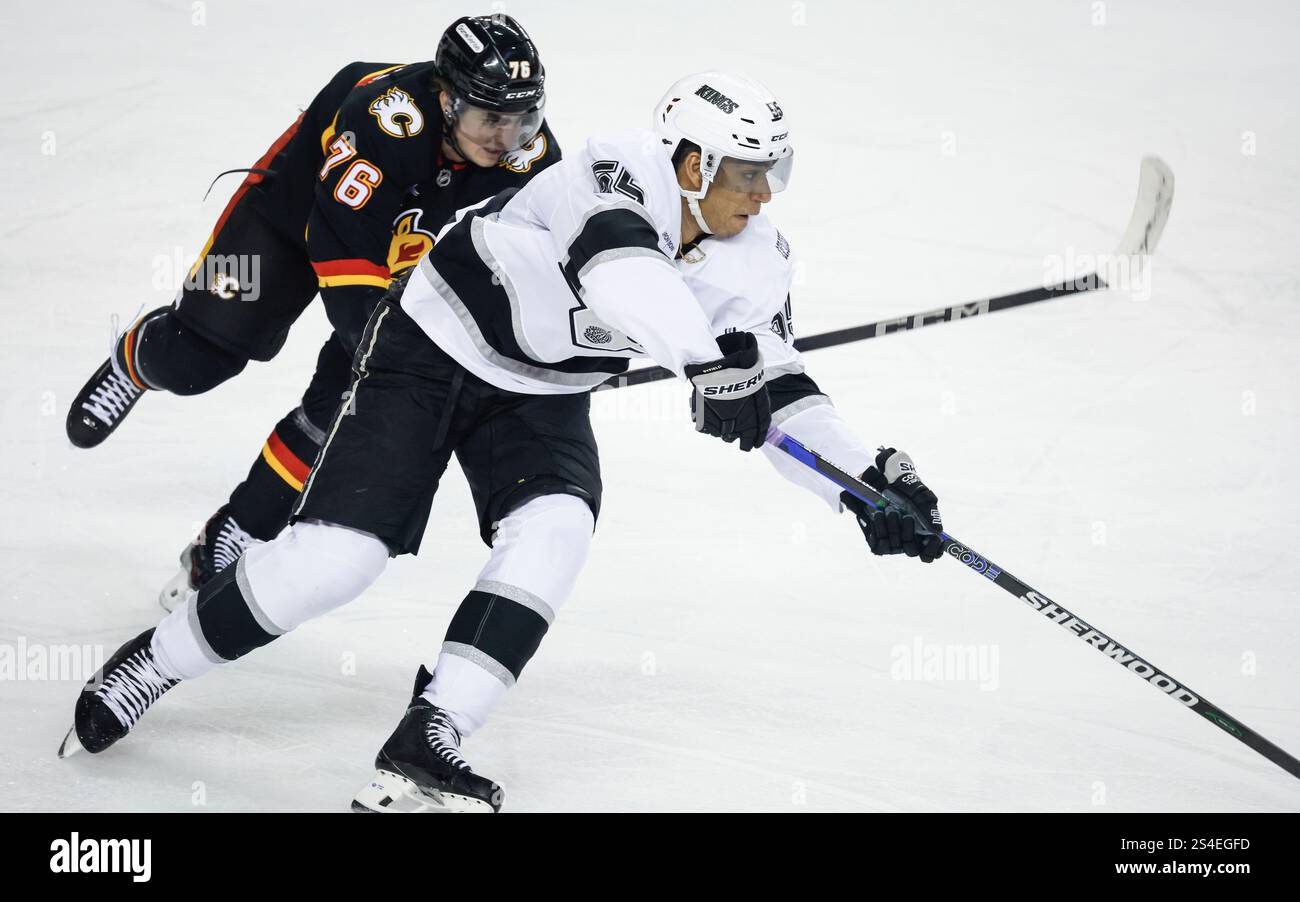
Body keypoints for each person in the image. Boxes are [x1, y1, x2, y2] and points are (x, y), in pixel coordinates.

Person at [60, 73, 944, 813]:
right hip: (427, 351)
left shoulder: (759, 256)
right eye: (748, 174)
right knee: (333, 564)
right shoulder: (611, 166)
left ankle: (431, 729)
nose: (764, 196)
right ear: (690, 161)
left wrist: (865, 486)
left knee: (558, 529)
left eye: (773, 173)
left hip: (541, 396)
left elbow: (782, 387)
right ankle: (154, 662)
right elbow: (621, 270)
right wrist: (712, 364)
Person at [63, 16, 561, 610]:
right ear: (447, 99)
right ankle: (141, 358)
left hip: (403, 250)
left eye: (522, 118)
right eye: (491, 119)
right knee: (201, 360)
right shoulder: (387, 119)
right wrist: (389, 346)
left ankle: (233, 531)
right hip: (291, 222)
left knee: (351, 401)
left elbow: (540, 256)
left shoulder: (530, 151)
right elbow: (340, 244)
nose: (508, 137)